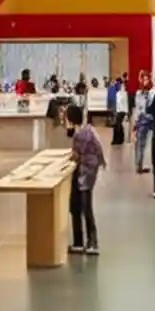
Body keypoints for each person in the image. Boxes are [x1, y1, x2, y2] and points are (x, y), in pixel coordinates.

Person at [66, 105, 105, 255]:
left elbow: (76, 155)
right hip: (88, 170)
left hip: (85, 172)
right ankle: (79, 242)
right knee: (76, 204)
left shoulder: (80, 134)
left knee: (84, 206)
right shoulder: (88, 129)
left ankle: (91, 241)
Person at [133, 81, 154, 174]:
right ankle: (139, 166)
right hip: (143, 120)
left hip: (142, 120)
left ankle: (139, 165)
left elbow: (138, 109)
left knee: (140, 144)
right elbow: (140, 109)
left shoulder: (141, 95)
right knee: (140, 144)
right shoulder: (144, 95)